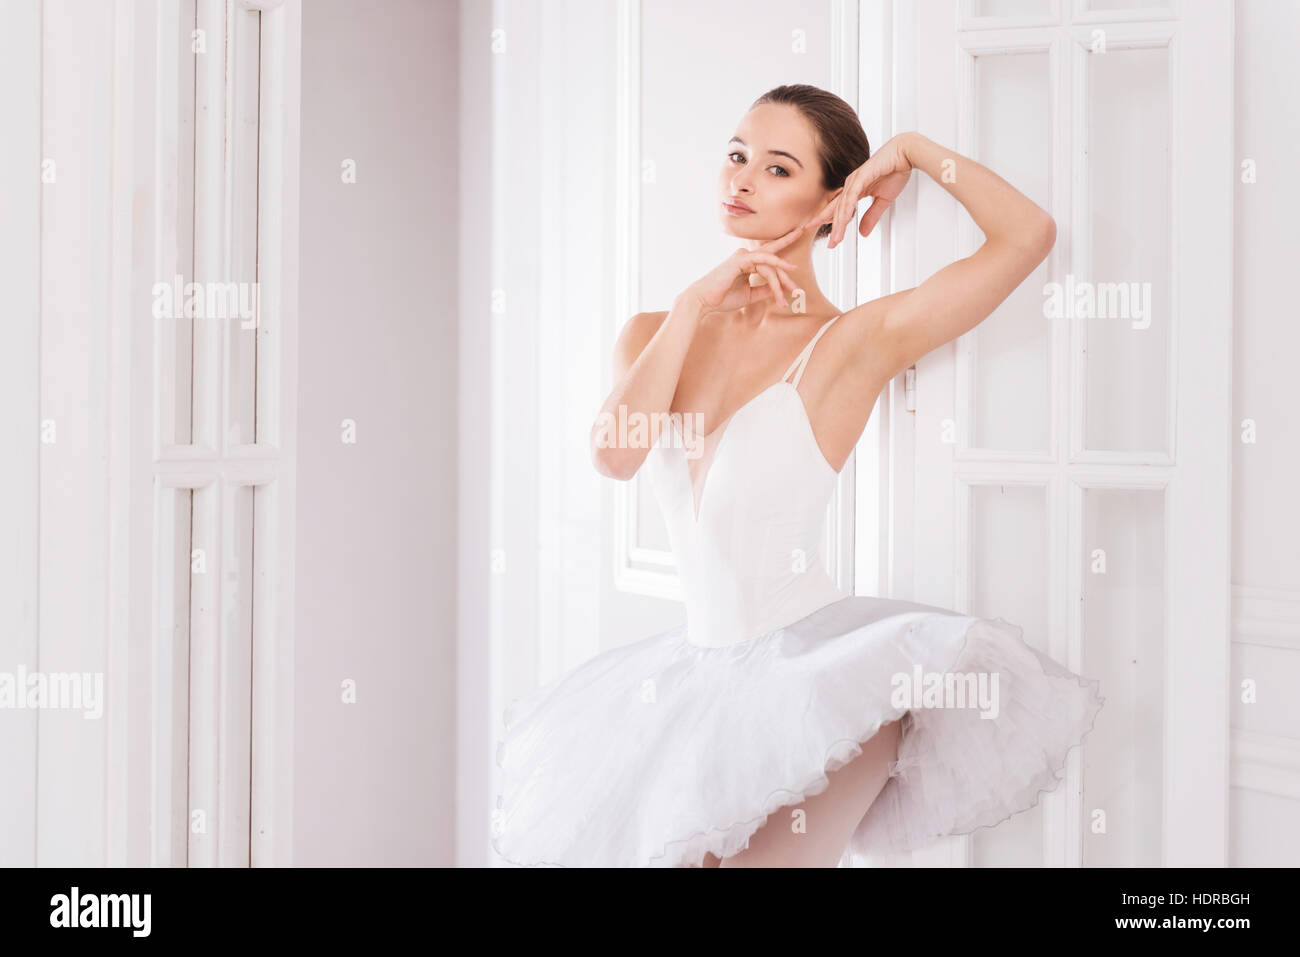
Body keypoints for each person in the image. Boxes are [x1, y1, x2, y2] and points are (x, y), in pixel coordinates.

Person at [493, 84, 1103, 868]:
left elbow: (1028, 235)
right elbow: (615, 456)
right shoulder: (655, 331)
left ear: (830, 200)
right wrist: (690, 307)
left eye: (779, 169)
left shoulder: (852, 342)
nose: (742, 180)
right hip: (693, 683)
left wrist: (914, 149)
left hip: (814, 681)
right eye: (738, 156)